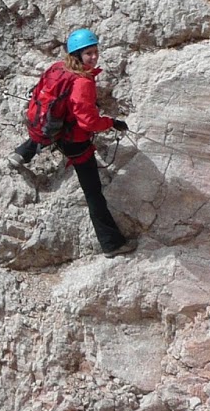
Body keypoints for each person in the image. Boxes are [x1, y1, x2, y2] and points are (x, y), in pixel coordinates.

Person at [9, 28, 137, 257]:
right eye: (89, 53)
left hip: (53, 127)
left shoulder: (58, 68)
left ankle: (22, 153)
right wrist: (110, 123)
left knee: (52, 127)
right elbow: (87, 122)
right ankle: (112, 244)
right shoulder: (83, 82)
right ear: (77, 55)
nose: (94, 57)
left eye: (96, 51)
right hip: (75, 141)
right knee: (93, 193)